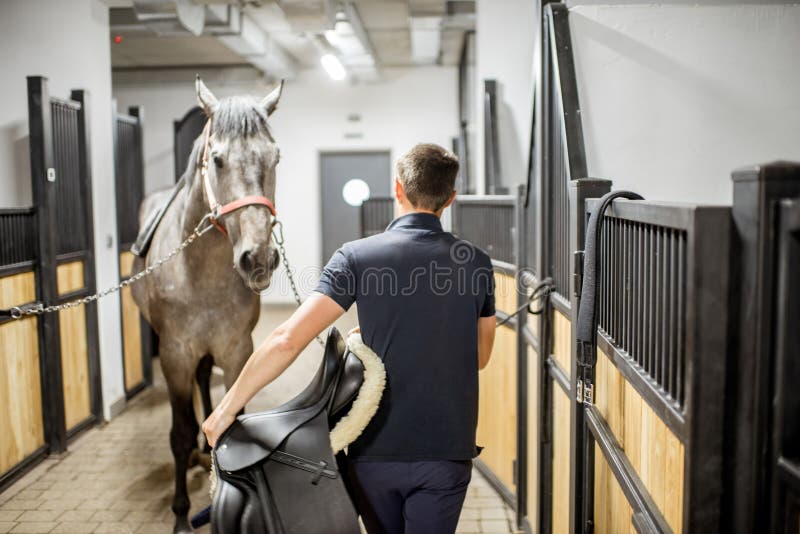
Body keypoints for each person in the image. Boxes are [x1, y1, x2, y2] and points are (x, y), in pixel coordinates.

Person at [202, 143, 496, 534]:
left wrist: (226, 409)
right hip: (446, 451)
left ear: (397, 189)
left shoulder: (356, 256)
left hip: (372, 450)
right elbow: (480, 355)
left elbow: (288, 339)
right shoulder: (475, 262)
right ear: (451, 198)